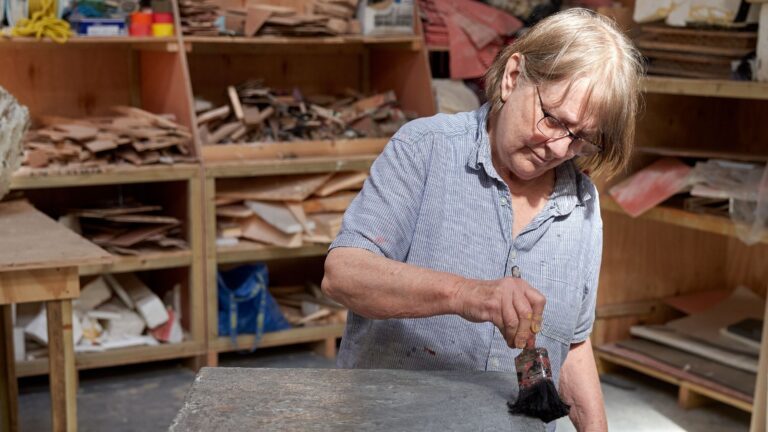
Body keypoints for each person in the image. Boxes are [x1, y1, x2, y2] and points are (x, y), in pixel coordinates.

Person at [321, 8, 642, 431]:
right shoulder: (426, 150)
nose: (558, 148)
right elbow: (343, 274)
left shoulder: (581, 203)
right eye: (553, 120)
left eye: (580, 138)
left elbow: (574, 344)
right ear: (513, 77)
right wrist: (468, 295)